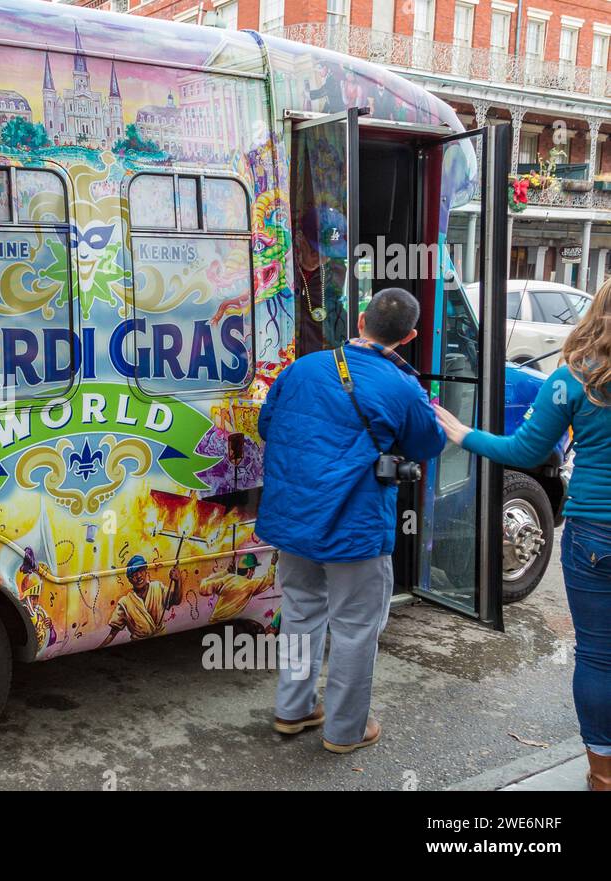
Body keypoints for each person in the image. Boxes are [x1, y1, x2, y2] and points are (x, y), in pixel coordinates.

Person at [436, 280, 611, 791]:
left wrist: (463, 433)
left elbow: (525, 450)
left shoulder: (573, 379)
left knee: (599, 656)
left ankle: (602, 774)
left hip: (594, 534)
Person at [258, 287, 445, 753]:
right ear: (410, 336)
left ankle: (293, 709)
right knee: (355, 627)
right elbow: (428, 445)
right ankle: (344, 731)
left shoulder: (302, 368)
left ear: (361, 320)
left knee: (301, 612)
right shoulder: (403, 387)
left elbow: (268, 426)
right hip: (355, 528)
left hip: (295, 520)